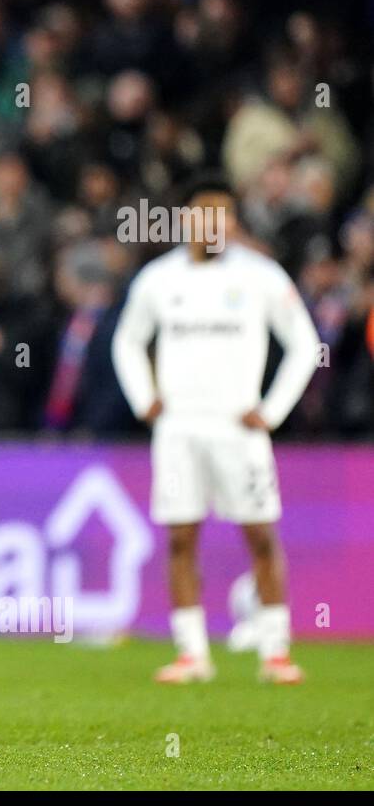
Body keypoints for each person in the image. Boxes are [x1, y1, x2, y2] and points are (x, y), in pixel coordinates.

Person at [111, 176, 319, 685]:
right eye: (203, 214)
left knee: (260, 535)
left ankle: (274, 652)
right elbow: (127, 342)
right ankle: (192, 654)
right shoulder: (158, 279)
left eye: (223, 215)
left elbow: (305, 344)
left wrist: (270, 411)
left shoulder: (261, 276)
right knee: (181, 537)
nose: (213, 225)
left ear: (233, 222)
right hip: (179, 428)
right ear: (186, 221)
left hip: (237, 429)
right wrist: (146, 400)